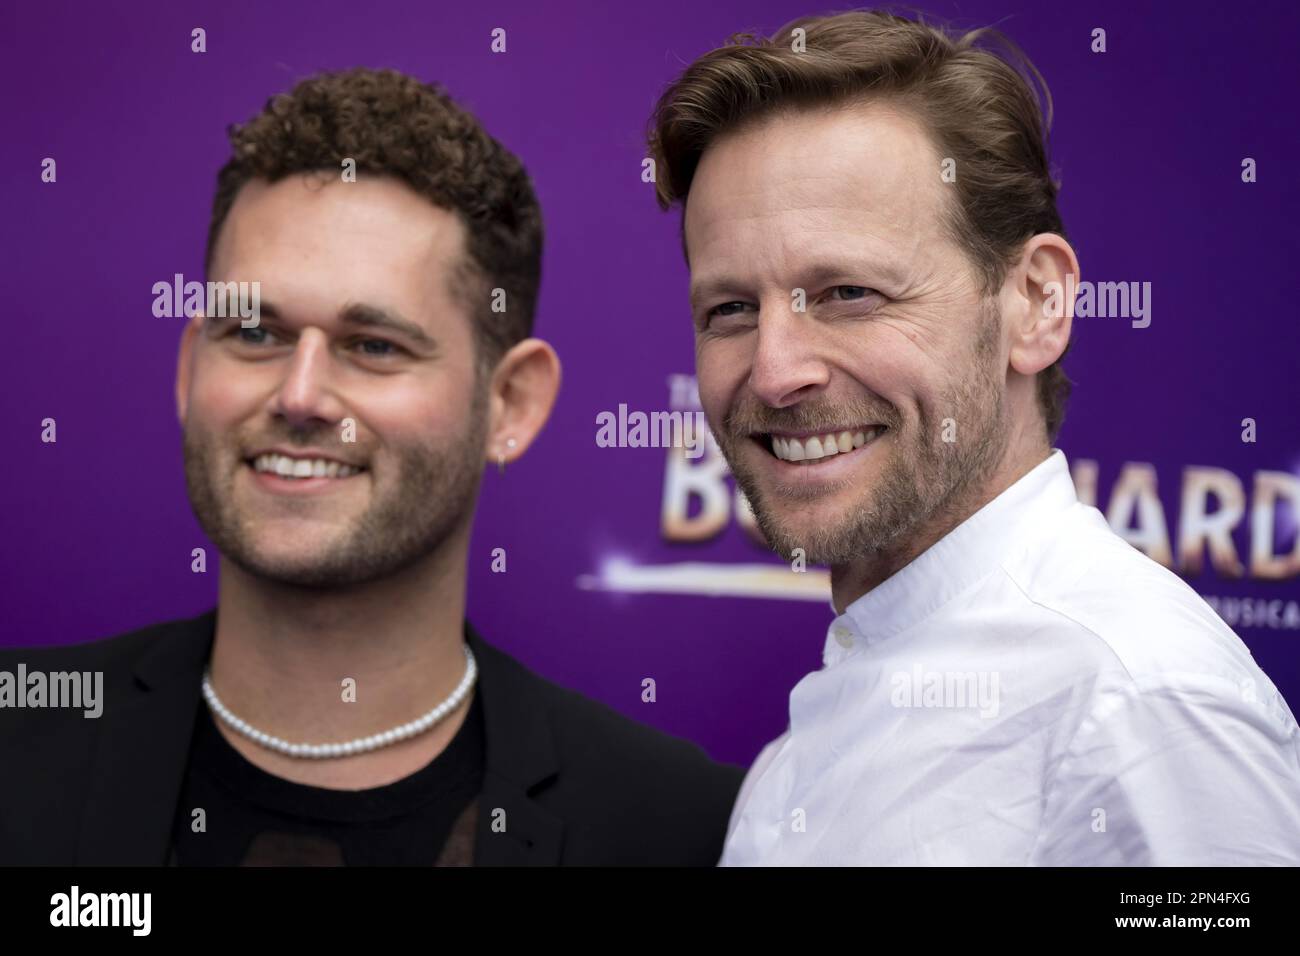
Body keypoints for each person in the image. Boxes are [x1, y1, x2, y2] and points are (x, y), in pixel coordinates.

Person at [0, 67, 742, 866]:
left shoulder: (679, 829)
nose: (300, 394)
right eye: (254, 333)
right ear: (189, 369)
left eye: (374, 346)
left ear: (511, 403)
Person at [646, 10, 1300, 865]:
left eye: (848, 292)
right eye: (731, 309)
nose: (774, 373)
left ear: (1035, 303)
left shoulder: (1138, 705)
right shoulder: (797, 755)